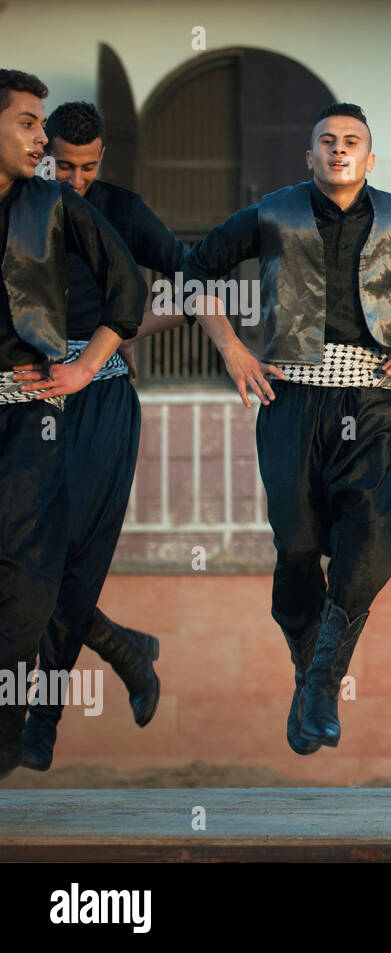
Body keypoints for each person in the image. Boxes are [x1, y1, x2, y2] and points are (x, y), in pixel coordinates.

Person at [184, 103, 391, 754]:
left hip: (373, 401)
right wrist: (232, 350)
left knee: (370, 534)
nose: (339, 149)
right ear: (310, 155)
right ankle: (309, 672)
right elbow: (195, 268)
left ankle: (322, 682)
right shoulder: (273, 212)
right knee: (296, 545)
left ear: (369, 159)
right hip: (291, 399)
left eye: (351, 141)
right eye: (327, 140)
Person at [18, 101, 187, 771]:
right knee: (24, 559)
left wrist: (111, 344)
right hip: (26, 398)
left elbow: (194, 280)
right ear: (42, 153)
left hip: (101, 401)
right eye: (63, 165)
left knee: (72, 559)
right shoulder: (20, 207)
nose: (76, 180)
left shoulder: (122, 209)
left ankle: (43, 720)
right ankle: (122, 647)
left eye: (88, 168)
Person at [0, 69, 146, 780]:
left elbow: (131, 286)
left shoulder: (56, 204)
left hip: (37, 417)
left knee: (28, 573)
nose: (41, 140)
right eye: (28, 124)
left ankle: (15, 736)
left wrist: (87, 366)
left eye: (42, 125)